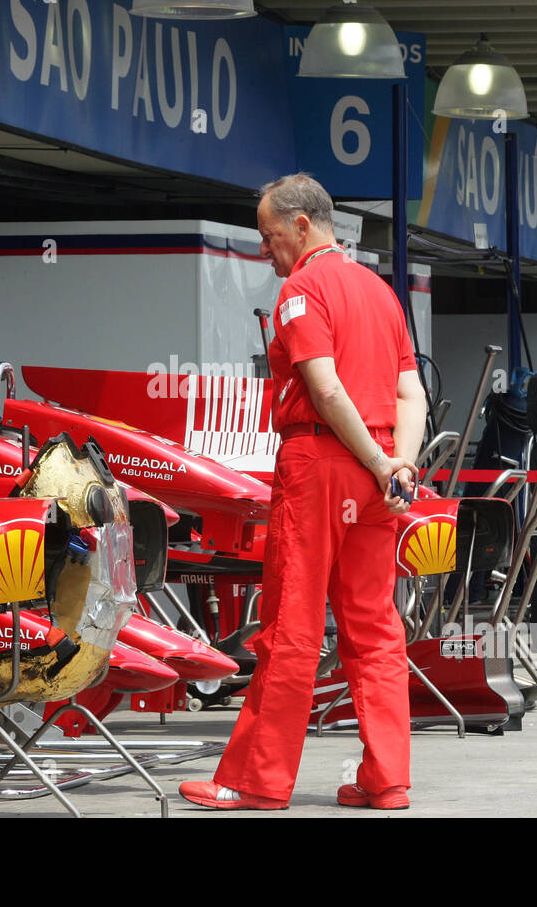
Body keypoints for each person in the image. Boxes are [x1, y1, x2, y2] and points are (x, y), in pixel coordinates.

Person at [180, 173, 426, 811]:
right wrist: (397, 463)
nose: (264, 248)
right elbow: (410, 394)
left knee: (291, 624)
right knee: (374, 625)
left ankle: (256, 781)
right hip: (379, 476)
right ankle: (387, 780)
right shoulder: (380, 293)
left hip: (321, 463)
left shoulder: (301, 290)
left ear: (301, 225)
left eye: (268, 235)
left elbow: (323, 387)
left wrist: (373, 460)